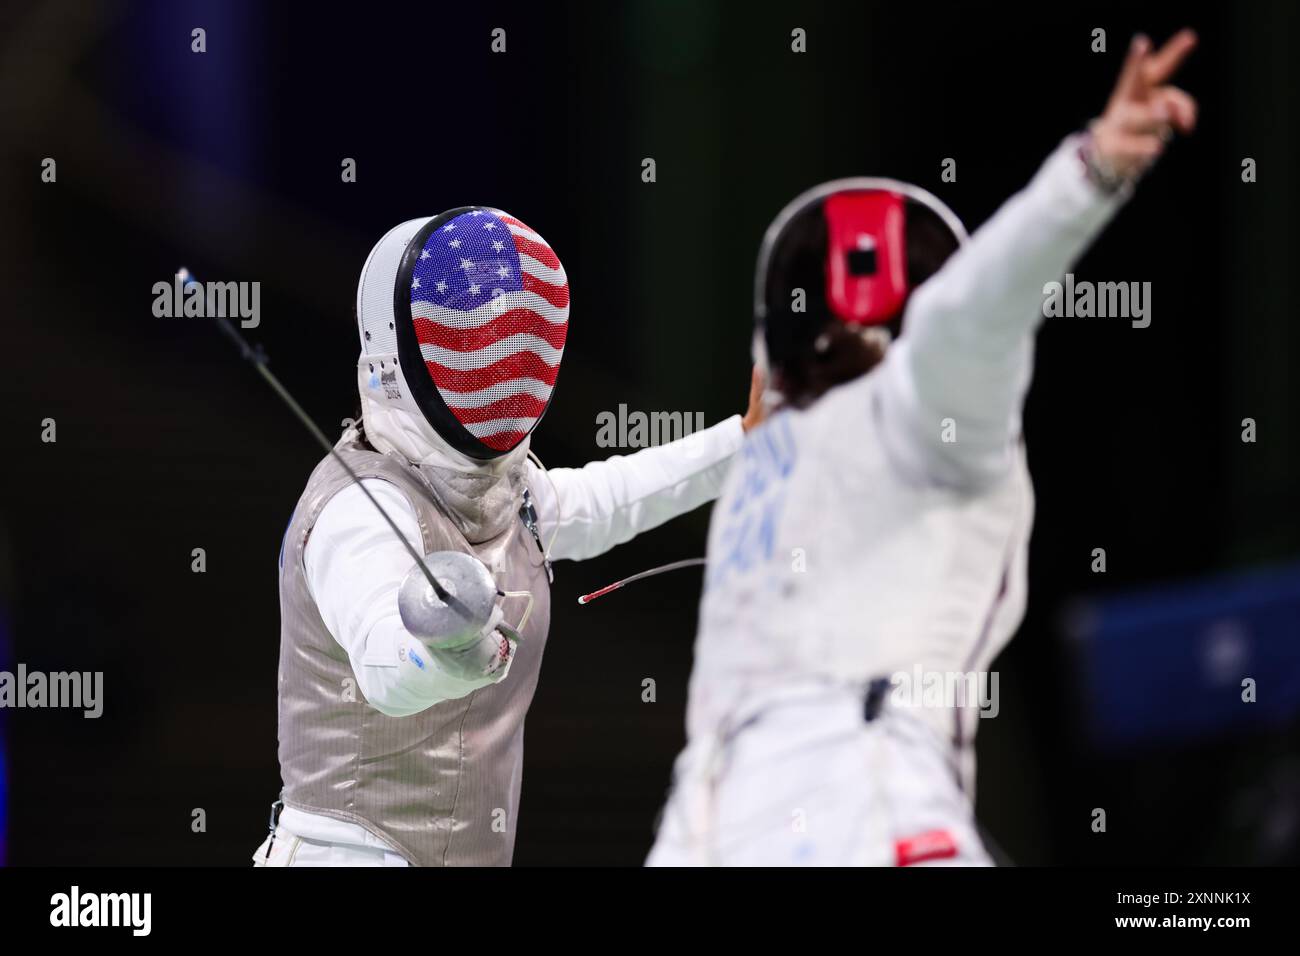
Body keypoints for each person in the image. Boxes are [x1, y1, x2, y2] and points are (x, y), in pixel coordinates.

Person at [647, 31, 1198, 866]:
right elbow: (968, 316)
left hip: (720, 820)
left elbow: (965, 317)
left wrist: (1084, 180)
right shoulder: (818, 441)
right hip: (848, 807)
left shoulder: (839, 436)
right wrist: (1089, 174)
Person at [255, 207, 762, 866]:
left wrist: (747, 439)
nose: (502, 349)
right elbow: (383, 662)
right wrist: (438, 657)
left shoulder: (504, 499)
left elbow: (607, 499)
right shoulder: (361, 506)